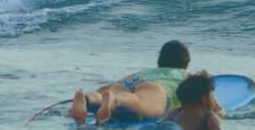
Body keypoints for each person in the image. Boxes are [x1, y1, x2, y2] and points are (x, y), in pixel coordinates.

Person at [67, 40, 216, 124]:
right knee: (139, 102)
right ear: (187, 63)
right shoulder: (185, 76)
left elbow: (111, 86)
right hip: (157, 88)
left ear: (160, 61)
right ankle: (114, 101)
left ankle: (87, 98)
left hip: (133, 82)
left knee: (112, 92)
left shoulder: (144, 72)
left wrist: (103, 93)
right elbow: (209, 101)